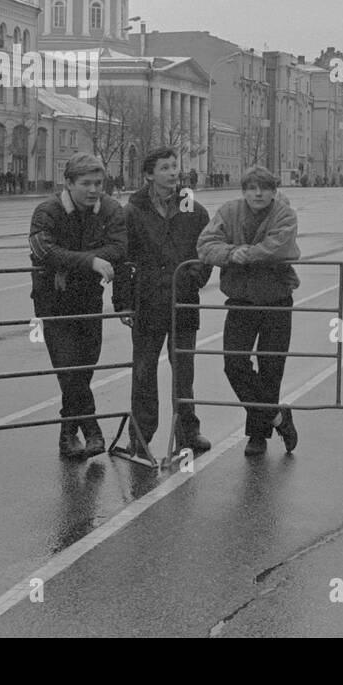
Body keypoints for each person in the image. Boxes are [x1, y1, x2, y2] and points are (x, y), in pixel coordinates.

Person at [113, 147, 213, 461]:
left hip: (183, 301)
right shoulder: (132, 211)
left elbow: (206, 248)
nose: (172, 172)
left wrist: (195, 277)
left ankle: (188, 431)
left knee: (184, 370)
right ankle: (139, 437)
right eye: (165, 168)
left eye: (174, 167)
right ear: (149, 175)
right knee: (143, 372)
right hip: (147, 302)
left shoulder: (193, 210)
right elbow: (122, 259)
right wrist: (123, 303)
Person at [29, 154, 127, 460]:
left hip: (88, 300)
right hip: (53, 301)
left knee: (83, 369)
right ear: (68, 183)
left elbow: (120, 248)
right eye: (85, 183)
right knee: (68, 368)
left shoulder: (110, 209)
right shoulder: (48, 210)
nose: (93, 189)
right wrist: (91, 261)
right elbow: (43, 250)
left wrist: (79, 261)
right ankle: (91, 430)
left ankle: (67, 434)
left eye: (98, 183)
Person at [198, 166, 300, 456]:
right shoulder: (229, 211)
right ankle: (277, 416)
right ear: (243, 191)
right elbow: (205, 245)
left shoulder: (283, 213)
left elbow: (279, 247)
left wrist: (243, 254)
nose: (258, 194)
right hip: (241, 300)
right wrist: (230, 253)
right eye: (252, 188)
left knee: (271, 368)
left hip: (276, 300)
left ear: (273, 191)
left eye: (264, 188)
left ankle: (258, 434)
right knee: (234, 364)